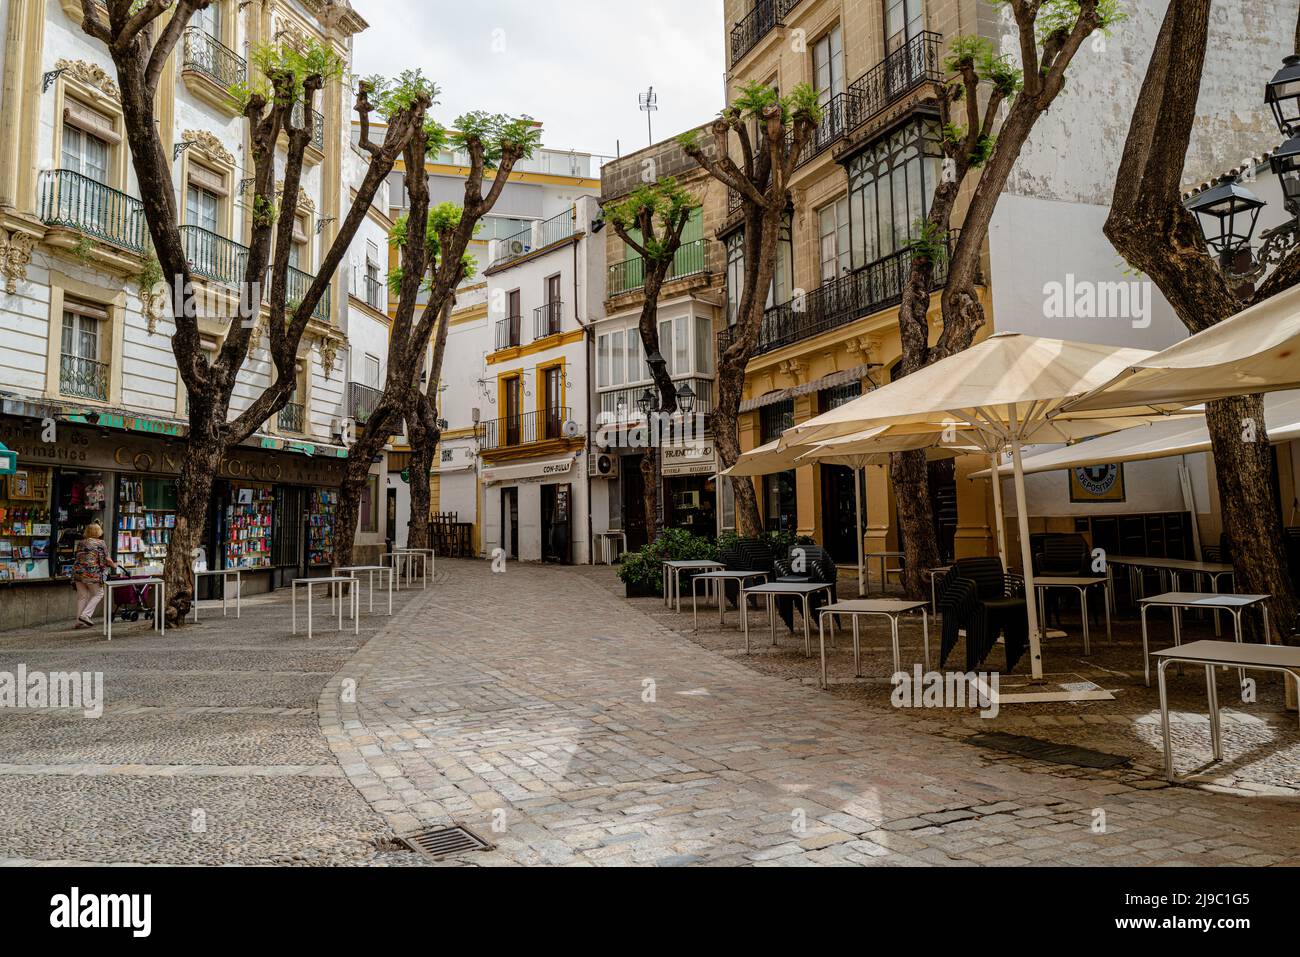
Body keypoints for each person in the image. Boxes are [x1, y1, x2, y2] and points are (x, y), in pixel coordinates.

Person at [71, 522, 123, 629]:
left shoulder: (81, 543)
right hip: (92, 573)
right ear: (98, 532)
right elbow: (107, 559)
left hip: (78, 572)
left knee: (82, 596)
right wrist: (114, 565)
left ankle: (78, 621)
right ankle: (85, 615)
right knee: (99, 593)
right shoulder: (100, 543)